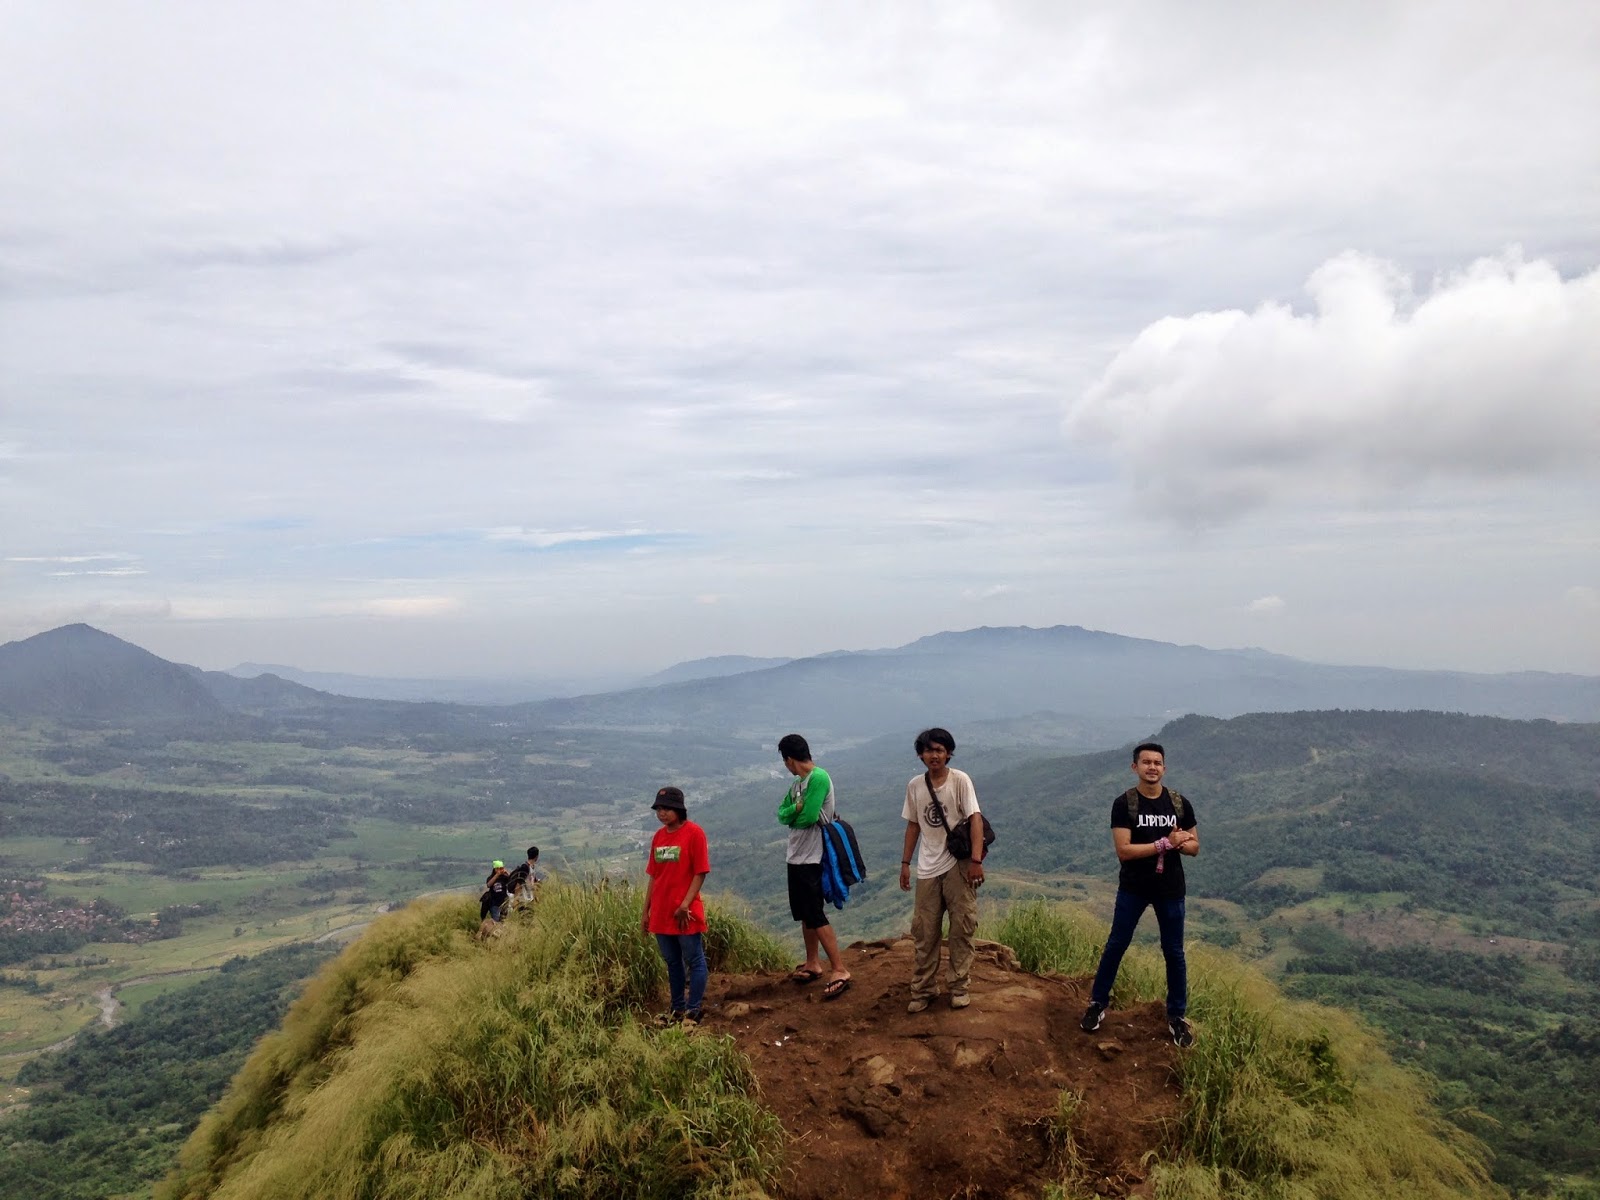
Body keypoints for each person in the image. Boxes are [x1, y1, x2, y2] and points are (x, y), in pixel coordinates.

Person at [1080, 741, 1200, 1047]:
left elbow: (1195, 847)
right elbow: (1124, 851)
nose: (1152, 767)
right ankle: (1097, 1004)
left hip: (1171, 889)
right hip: (1134, 887)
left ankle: (1176, 1017)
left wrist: (1181, 843)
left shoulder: (1179, 803)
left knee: (1174, 952)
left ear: (1164, 768)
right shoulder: (1125, 803)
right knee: (1117, 944)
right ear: (1135, 767)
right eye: (1146, 762)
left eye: (1157, 763)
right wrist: (1165, 843)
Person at [899, 727, 985, 1012]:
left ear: (948, 753)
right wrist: (905, 863)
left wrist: (975, 861)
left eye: (939, 750)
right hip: (927, 867)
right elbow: (913, 824)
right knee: (925, 931)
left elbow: (975, 819)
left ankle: (959, 987)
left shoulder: (960, 780)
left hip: (958, 866)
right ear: (920, 755)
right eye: (929, 750)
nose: (934, 755)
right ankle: (923, 989)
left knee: (962, 927)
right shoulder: (915, 786)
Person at [777, 733, 852, 1000]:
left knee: (815, 913)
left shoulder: (818, 778)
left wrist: (795, 812)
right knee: (805, 913)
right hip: (796, 856)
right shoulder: (798, 783)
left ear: (788, 759)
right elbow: (781, 813)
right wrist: (794, 812)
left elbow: (807, 816)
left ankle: (840, 969)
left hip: (813, 855)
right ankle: (813, 963)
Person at [640, 786, 711, 1027]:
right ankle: (677, 1008)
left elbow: (700, 872)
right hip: (661, 912)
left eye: (667, 808)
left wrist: (685, 904)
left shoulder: (694, 833)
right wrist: (645, 911)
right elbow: (653, 876)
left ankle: (693, 1010)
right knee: (672, 962)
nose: (662, 813)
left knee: (694, 959)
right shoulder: (658, 837)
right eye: (659, 809)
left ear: (679, 809)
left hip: (685, 913)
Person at [507, 845, 547, 911]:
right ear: (537, 856)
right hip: (523, 899)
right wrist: (516, 899)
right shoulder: (525, 867)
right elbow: (519, 884)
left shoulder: (532, 867)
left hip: (529, 898)